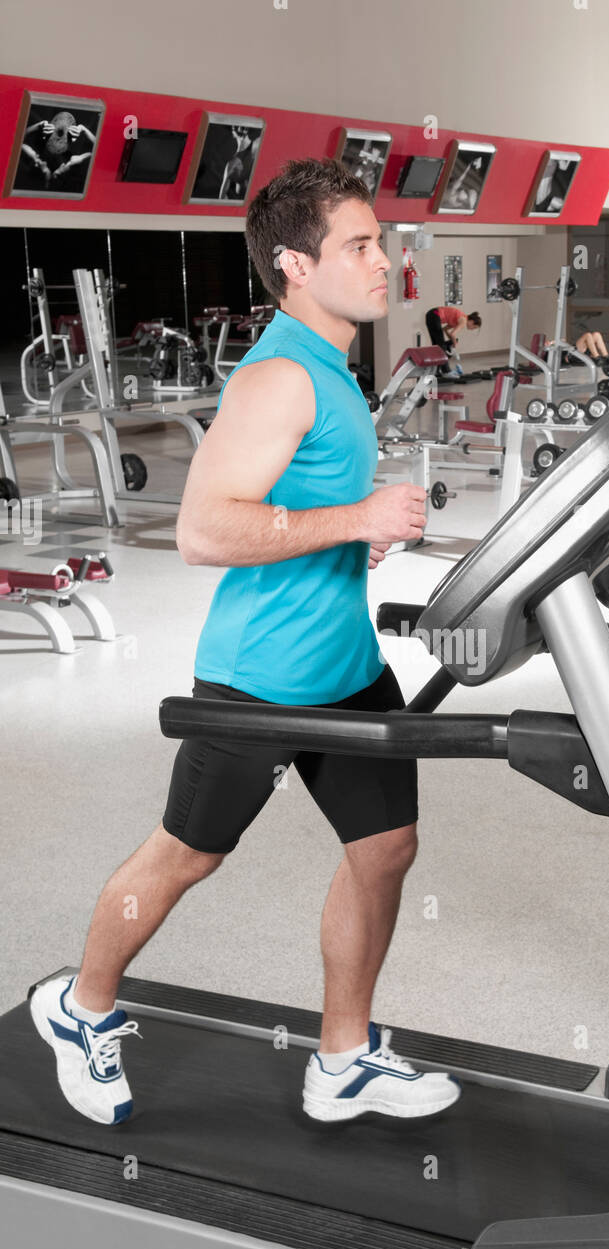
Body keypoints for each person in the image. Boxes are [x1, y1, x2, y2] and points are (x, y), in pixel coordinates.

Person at [30, 158, 461, 1128]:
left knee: (385, 848)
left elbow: (304, 506)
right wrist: (357, 518)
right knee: (186, 854)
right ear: (294, 265)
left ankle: (342, 1057)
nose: (383, 259)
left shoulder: (336, 365)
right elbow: (203, 531)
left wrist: (366, 526)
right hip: (260, 677)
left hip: (344, 666)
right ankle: (80, 1005)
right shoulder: (278, 376)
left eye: (379, 240)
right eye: (359, 245)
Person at [425, 304, 481, 375]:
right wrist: (454, 344)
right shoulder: (464, 320)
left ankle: (437, 371)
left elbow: (445, 330)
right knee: (441, 347)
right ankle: (447, 371)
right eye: (474, 327)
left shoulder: (458, 319)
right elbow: (453, 334)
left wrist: (452, 341)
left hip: (431, 315)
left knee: (437, 346)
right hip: (435, 315)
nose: (472, 329)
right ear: (472, 321)